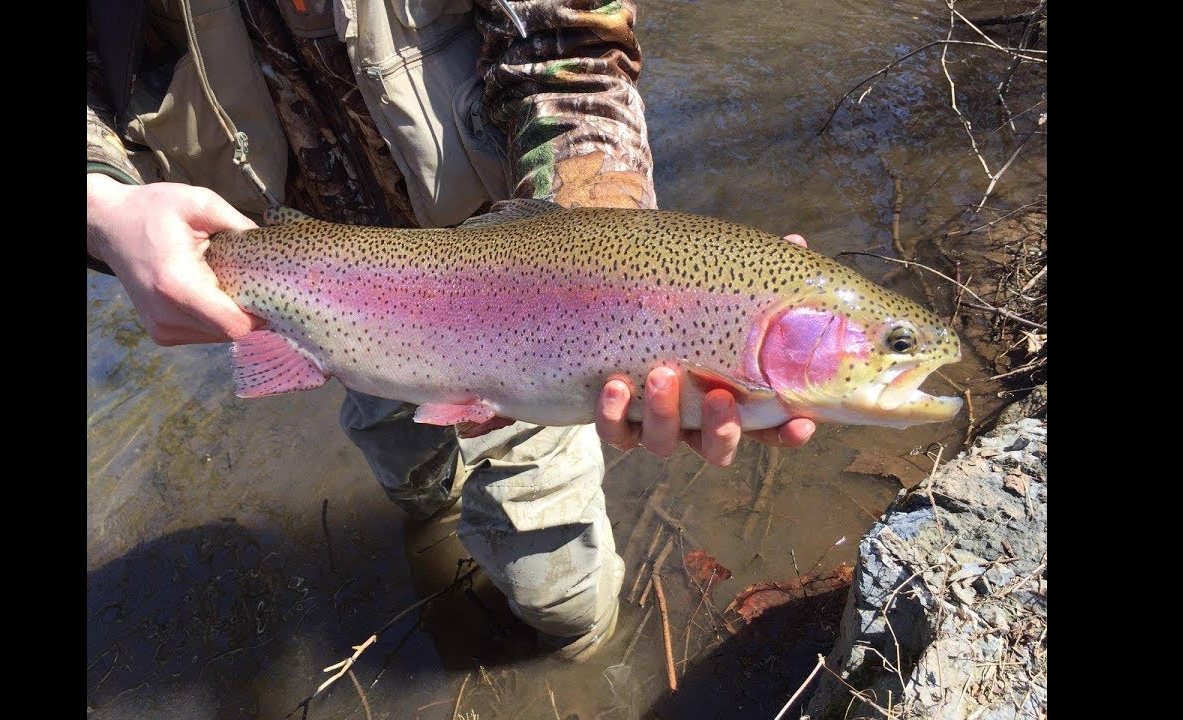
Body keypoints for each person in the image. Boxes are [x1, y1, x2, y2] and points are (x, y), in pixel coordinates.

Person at [86, 0, 815, 661]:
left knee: (566, 606)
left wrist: (617, 267)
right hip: (317, 310)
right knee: (411, 477)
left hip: (527, 313)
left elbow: (574, 54)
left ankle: (570, 653)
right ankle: (429, 517)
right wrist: (105, 206)